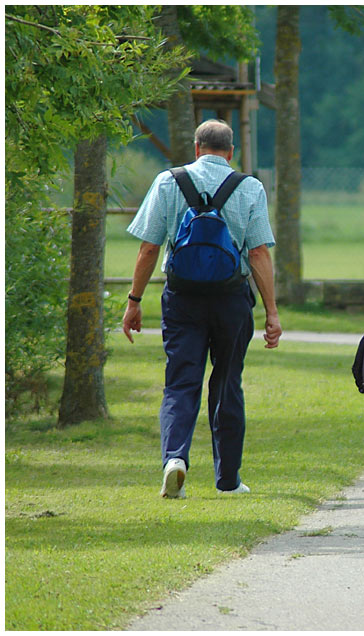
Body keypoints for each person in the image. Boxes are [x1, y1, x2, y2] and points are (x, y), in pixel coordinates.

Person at [123, 119, 282, 499]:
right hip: (231, 300)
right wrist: (272, 313)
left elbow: (148, 249)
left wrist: (134, 301)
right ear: (231, 152)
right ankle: (228, 480)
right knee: (227, 382)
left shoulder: (168, 181)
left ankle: (174, 459)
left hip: (181, 299)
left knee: (180, 382)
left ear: (196, 148)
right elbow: (258, 252)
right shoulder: (249, 188)